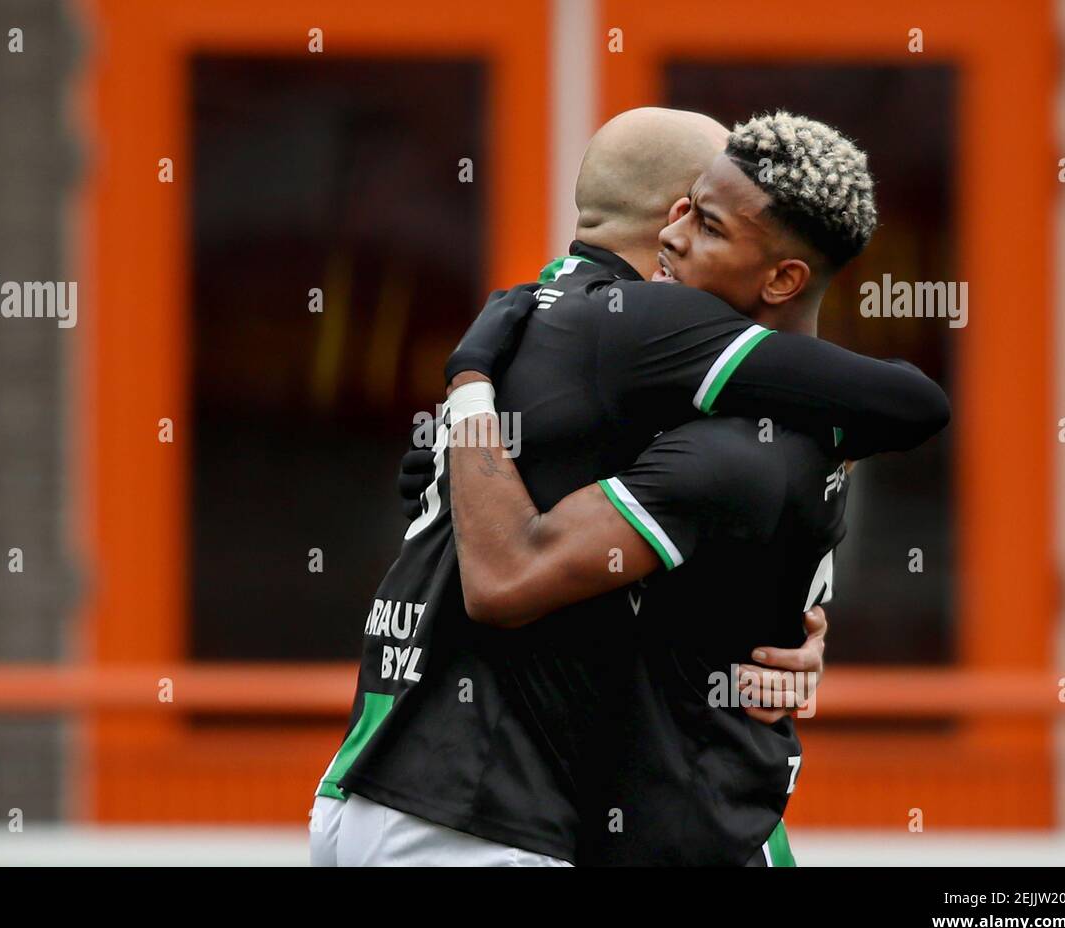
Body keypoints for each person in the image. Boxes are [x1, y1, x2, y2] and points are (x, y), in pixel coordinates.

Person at [312, 108, 948, 866]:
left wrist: (472, 390)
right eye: (687, 211)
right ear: (668, 206)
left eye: (706, 222)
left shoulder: (546, 319)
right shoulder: (654, 335)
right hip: (486, 807)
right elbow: (505, 573)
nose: (681, 237)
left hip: (397, 780)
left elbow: (427, 479)